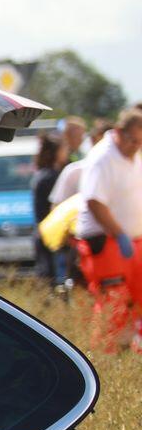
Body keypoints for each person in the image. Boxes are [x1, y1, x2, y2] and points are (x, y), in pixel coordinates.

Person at [72, 109, 142, 349]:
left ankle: (131, 352)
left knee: (135, 300)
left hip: (132, 240)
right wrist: (119, 233)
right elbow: (94, 201)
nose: (136, 146)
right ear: (120, 132)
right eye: (133, 140)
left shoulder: (132, 156)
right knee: (114, 300)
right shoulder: (103, 157)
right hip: (107, 240)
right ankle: (104, 354)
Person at [30, 134, 70, 287]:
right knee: (53, 281)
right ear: (56, 152)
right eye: (64, 149)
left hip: (43, 233)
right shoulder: (51, 177)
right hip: (52, 235)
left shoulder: (42, 174)